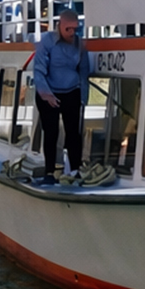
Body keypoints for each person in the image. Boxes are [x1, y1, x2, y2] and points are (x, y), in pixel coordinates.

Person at [31, 9, 92, 180]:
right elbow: (38, 72)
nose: (72, 33)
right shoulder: (46, 42)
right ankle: (49, 171)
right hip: (49, 92)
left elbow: (84, 72)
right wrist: (46, 94)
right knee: (51, 133)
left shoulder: (80, 44)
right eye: (69, 29)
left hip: (71, 91)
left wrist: (83, 98)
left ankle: (75, 170)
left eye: (76, 29)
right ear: (60, 26)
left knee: (74, 133)